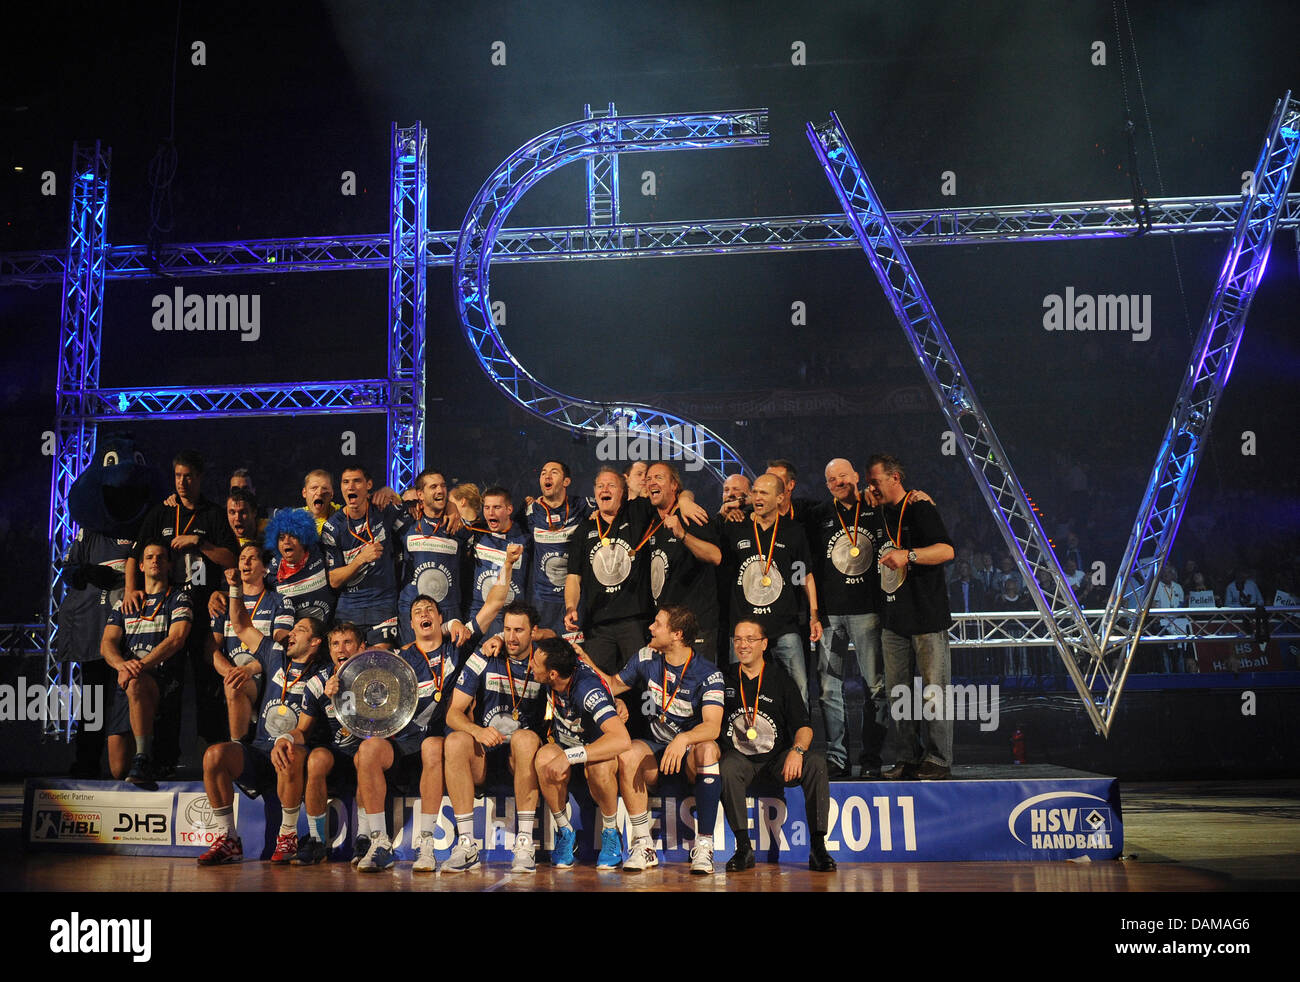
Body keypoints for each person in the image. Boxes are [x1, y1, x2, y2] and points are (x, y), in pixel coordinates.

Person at [388, 544, 521, 873]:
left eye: (429, 609)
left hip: (460, 739)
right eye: (417, 611)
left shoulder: (459, 643)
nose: (423, 614)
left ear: (440, 617)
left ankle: (445, 844)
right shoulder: (402, 660)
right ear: (411, 623)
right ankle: (427, 846)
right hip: (414, 743)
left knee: (441, 745)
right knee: (432, 747)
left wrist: (506, 564)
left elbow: (494, 603)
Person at [196, 570, 329, 866]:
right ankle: (228, 838)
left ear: (317, 641)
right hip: (259, 751)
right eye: (293, 628)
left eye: (301, 630)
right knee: (214, 755)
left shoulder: (324, 673)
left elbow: (308, 729)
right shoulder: (275, 654)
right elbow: (241, 625)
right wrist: (233, 588)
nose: (291, 633)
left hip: (295, 755)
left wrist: (286, 739)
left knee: (290, 752)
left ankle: (288, 835)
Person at [126, 450, 238, 765]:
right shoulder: (161, 512)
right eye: (177, 475)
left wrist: (199, 544)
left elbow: (231, 560)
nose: (182, 482)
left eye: (188, 476)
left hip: (205, 610)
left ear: (200, 478)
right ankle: (161, 760)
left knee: (208, 686)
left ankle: (212, 759)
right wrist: (131, 589)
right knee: (167, 684)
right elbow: (135, 555)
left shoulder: (214, 515)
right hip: (169, 611)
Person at [605, 605, 726, 874]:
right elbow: (611, 685)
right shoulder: (646, 657)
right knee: (627, 753)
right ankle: (643, 844)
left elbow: (713, 727)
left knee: (708, 749)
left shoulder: (708, 672)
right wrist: (582, 662)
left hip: (690, 751)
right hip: (656, 748)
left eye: (657, 624)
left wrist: (683, 739)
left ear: (676, 634)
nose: (650, 627)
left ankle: (704, 845)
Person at [720, 618, 835, 872]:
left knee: (815, 762)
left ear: (764, 644)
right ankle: (742, 848)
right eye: (738, 639)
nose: (742, 645)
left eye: (750, 639)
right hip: (741, 762)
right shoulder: (723, 678)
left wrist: (797, 751)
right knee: (726, 766)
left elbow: (804, 727)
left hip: (776, 762)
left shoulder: (780, 679)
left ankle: (818, 848)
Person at [442, 601, 548, 874]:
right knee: (454, 740)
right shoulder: (484, 655)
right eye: (507, 630)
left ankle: (524, 843)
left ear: (533, 632)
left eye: (519, 631)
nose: (511, 637)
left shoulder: (543, 660)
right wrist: (477, 731)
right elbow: (453, 714)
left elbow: (557, 640)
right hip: (485, 756)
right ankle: (466, 843)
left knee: (525, 739)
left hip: (522, 759)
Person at [867, 454, 955, 781]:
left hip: (927, 616)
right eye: (869, 481)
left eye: (876, 480)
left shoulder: (920, 507)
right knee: (898, 693)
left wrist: (910, 555)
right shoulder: (878, 512)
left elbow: (947, 551)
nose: (871, 486)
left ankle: (938, 759)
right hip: (894, 619)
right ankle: (906, 757)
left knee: (934, 692)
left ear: (895, 476)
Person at [811, 457, 887, 778]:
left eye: (843, 475)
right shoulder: (818, 516)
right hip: (830, 617)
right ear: (826, 485)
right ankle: (837, 757)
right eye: (832, 479)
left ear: (856, 476)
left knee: (876, 687)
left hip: (868, 612)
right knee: (829, 689)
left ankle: (871, 758)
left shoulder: (876, 508)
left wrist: (918, 495)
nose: (839, 482)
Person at [718, 473, 823, 704]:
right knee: (740, 692)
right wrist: (723, 512)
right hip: (745, 627)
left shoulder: (794, 531)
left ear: (780, 498)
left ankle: (798, 740)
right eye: (754, 492)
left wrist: (814, 615)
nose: (757, 497)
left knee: (799, 690)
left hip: (784, 626)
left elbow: (805, 575)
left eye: (764, 493)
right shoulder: (736, 525)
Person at [531, 636, 631, 870]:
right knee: (544, 758)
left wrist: (570, 756)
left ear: (553, 674)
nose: (530, 665)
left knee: (600, 766)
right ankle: (565, 831)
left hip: (593, 749)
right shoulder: (556, 664)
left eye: (535, 663)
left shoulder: (587, 689)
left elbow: (621, 739)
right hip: (565, 743)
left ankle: (610, 832)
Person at [100, 541, 192, 784]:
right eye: (149, 557)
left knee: (136, 682)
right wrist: (122, 665)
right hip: (127, 677)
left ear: (170, 565)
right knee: (118, 770)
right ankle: (140, 760)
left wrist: (138, 666)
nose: (155, 560)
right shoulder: (125, 603)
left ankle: (142, 757)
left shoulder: (179, 598)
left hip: (157, 680)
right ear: (140, 565)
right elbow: (107, 643)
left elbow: (176, 639)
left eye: (161, 557)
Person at [292, 621, 364, 864]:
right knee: (316, 759)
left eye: (347, 642)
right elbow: (302, 730)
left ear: (361, 648)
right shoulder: (318, 683)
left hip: (372, 751)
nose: (341, 649)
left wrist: (348, 694)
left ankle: (365, 839)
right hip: (337, 753)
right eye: (335, 643)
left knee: (366, 755)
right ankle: (317, 841)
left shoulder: (378, 673)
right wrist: (284, 739)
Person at [207, 542, 295, 741]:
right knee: (233, 683)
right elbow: (210, 649)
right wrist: (231, 672)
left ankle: (239, 751)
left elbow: (279, 646)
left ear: (264, 569)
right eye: (241, 558)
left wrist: (249, 670)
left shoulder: (280, 601)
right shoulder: (223, 602)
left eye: (252, 558)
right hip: (231, 674)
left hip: (265, 674)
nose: (245, 562)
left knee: (234, 684)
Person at [645, 462, 723, 657]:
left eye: (659, 478)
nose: (652, 482)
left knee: (697, 685)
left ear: (674, 486)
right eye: (648, 479)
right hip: (666, 629)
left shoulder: (691, 515)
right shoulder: (651, 520)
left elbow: (715, 556)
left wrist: (682, 534)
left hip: (695, 625)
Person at [321, 464, 402, 647]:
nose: (351, 487)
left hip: (383, 604)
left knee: (378, 660)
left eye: (357, 481)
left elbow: (417, 507)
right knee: (349, 663)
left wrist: (452, 507)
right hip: (349, 607)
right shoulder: (333, 528)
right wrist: (360, 559)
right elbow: (333, 580)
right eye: (345, 482)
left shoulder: (383, 510)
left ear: (369, 485)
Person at [515, 460, 591, 636]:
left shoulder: (582, 506)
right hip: (541, 600)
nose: (547, 476)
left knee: (572, 652)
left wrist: (599, 513)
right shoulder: (530, 510)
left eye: (554, 472)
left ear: (566, 481)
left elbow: (615, 508)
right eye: (543, 473)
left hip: (574, 598)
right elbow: (502, 526)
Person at [395, 469, 469, 646]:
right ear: (420, 494)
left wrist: (452, 507)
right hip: (413, 611)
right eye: (433, 486)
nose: (440, 490)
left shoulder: (457, 525)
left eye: (443, 486)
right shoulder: (406, 522)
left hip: (449, 611)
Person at [466, 486, 531, 637]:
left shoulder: (526, 539)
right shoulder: (477, 532)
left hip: (510, 619)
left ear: (509, 510)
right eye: (487, 507)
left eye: (497, 507)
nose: (490, 512)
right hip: (479, 614)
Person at [262, 507, 335, 623]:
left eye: (293, 536)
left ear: (304, 538)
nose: (286, 541)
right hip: (294, 634)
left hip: (326, 628)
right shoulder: (272, 571)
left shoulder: (319, 552)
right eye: (281, 538)